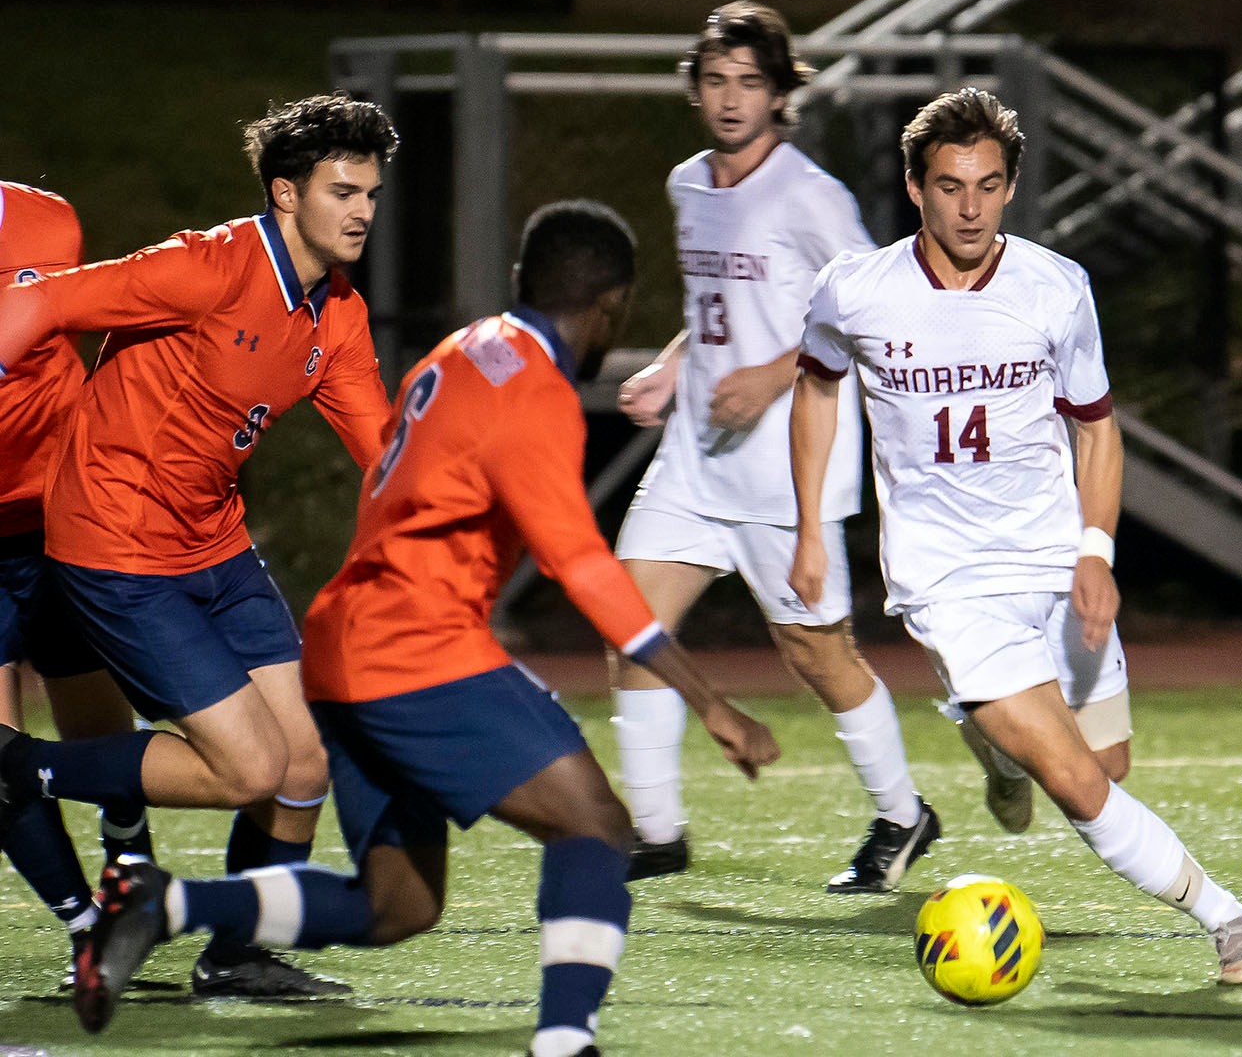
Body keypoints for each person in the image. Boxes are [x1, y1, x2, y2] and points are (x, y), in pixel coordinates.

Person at [71, 200, 781, 1057]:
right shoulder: (536, 392)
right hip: (416, 653)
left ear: (521, 282)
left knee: (396, 906)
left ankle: (164, 900)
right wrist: (710, 702)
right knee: (594, 825)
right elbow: (582, 565)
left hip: (340, 650)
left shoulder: (461, 351)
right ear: (613, 308)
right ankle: (564, 1041)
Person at [789, 88, 1242, 985]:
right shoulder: (855, 290)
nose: (968, 206)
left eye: (986, 185)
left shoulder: (1057, 287)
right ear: (914, 188)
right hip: (947, 582)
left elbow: (1097, 428)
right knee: (1077, 784)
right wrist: (812, 524)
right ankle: (1231, 921)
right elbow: (816, 385)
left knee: (1109, 763)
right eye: (948, 186)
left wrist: (1097, 552)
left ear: (1010, 188)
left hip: (1056, 559)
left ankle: (994, 749)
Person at [0, 94, 401, 997]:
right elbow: (47, 301)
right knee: (247, 766)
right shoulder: (207, 265)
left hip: (211, 541)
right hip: (115, 541)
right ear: (285, 195)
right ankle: (13, 768)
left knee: (302, 766)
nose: (363, 212)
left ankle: (236, 954)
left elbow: (384, 452)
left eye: (372, 193)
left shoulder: (335, 315)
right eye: (343, 191)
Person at [609, 0, 937, 893]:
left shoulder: (808, 194)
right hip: (697, 453)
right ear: (695, 88)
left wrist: (772, 373)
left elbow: (871, 309)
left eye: (749, 82)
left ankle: (905, 815)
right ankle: (657, 831)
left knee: (817, 655)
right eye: (715, 80)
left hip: (788, 463)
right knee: (629, 623)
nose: (730, 98)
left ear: (779, 93)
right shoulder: (687, 184)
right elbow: (715, 304)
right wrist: (678, 365)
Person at [0, 179, 153, 980]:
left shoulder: (49, 219)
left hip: (66, 514)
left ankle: (134, 878)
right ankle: (90, 933)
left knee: (101, 730)